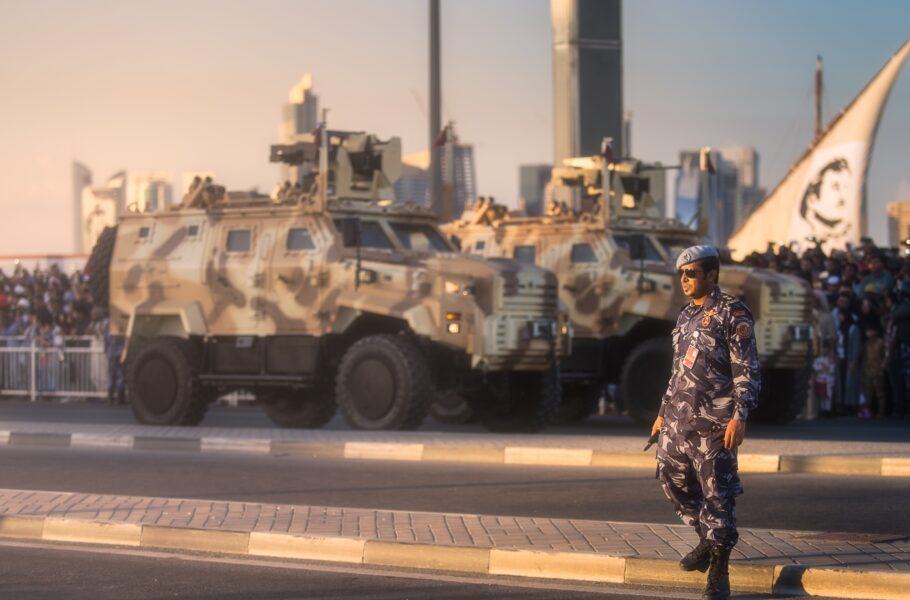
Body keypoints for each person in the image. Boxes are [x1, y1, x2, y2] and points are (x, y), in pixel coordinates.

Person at [651, 245, 761, 600]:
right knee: (672, 481)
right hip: (678, 422)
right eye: (681, 274)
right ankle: (706, 540)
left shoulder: (733, 312)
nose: (684, 280)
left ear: (711, 275)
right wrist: (662, 413)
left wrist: (739, 416)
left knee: (718, 495)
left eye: (692, 273)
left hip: (715, 424)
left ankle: (718, 570)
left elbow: (746, 369)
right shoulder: (685, 316)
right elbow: (677, 371)